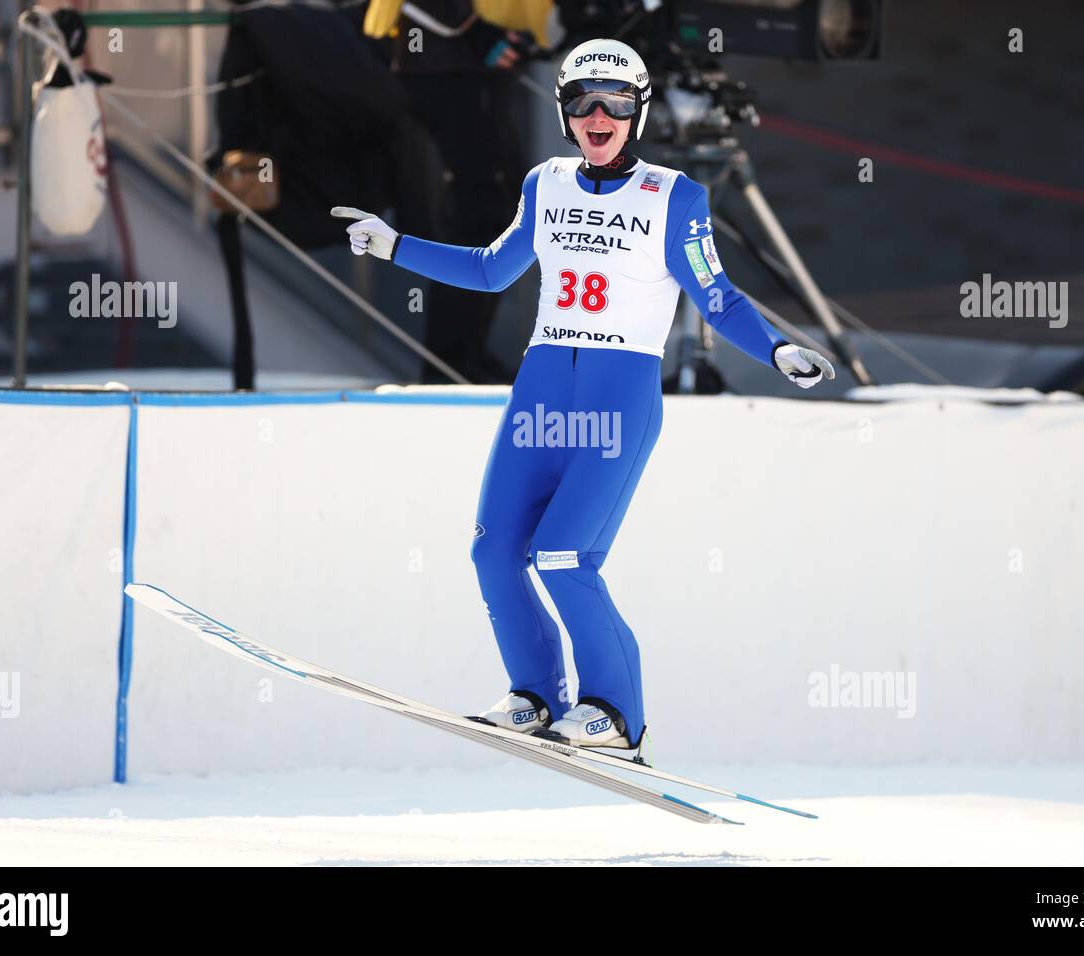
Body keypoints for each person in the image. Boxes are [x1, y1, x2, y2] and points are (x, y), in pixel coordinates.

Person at [334, 38, 835, 751]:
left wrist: (779, 348)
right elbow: (489, 271)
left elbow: (716, 299)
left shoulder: (675, 197)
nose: (600, 117)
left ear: (639, 112)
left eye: (617, 104)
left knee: (565, 555)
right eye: (583, 103)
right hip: (542, 387)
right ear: (565, 111)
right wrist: (394, 246)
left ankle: (616, 711)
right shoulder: (546, 183)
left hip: (617, 392)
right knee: (495, 552)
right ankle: (537, 693)